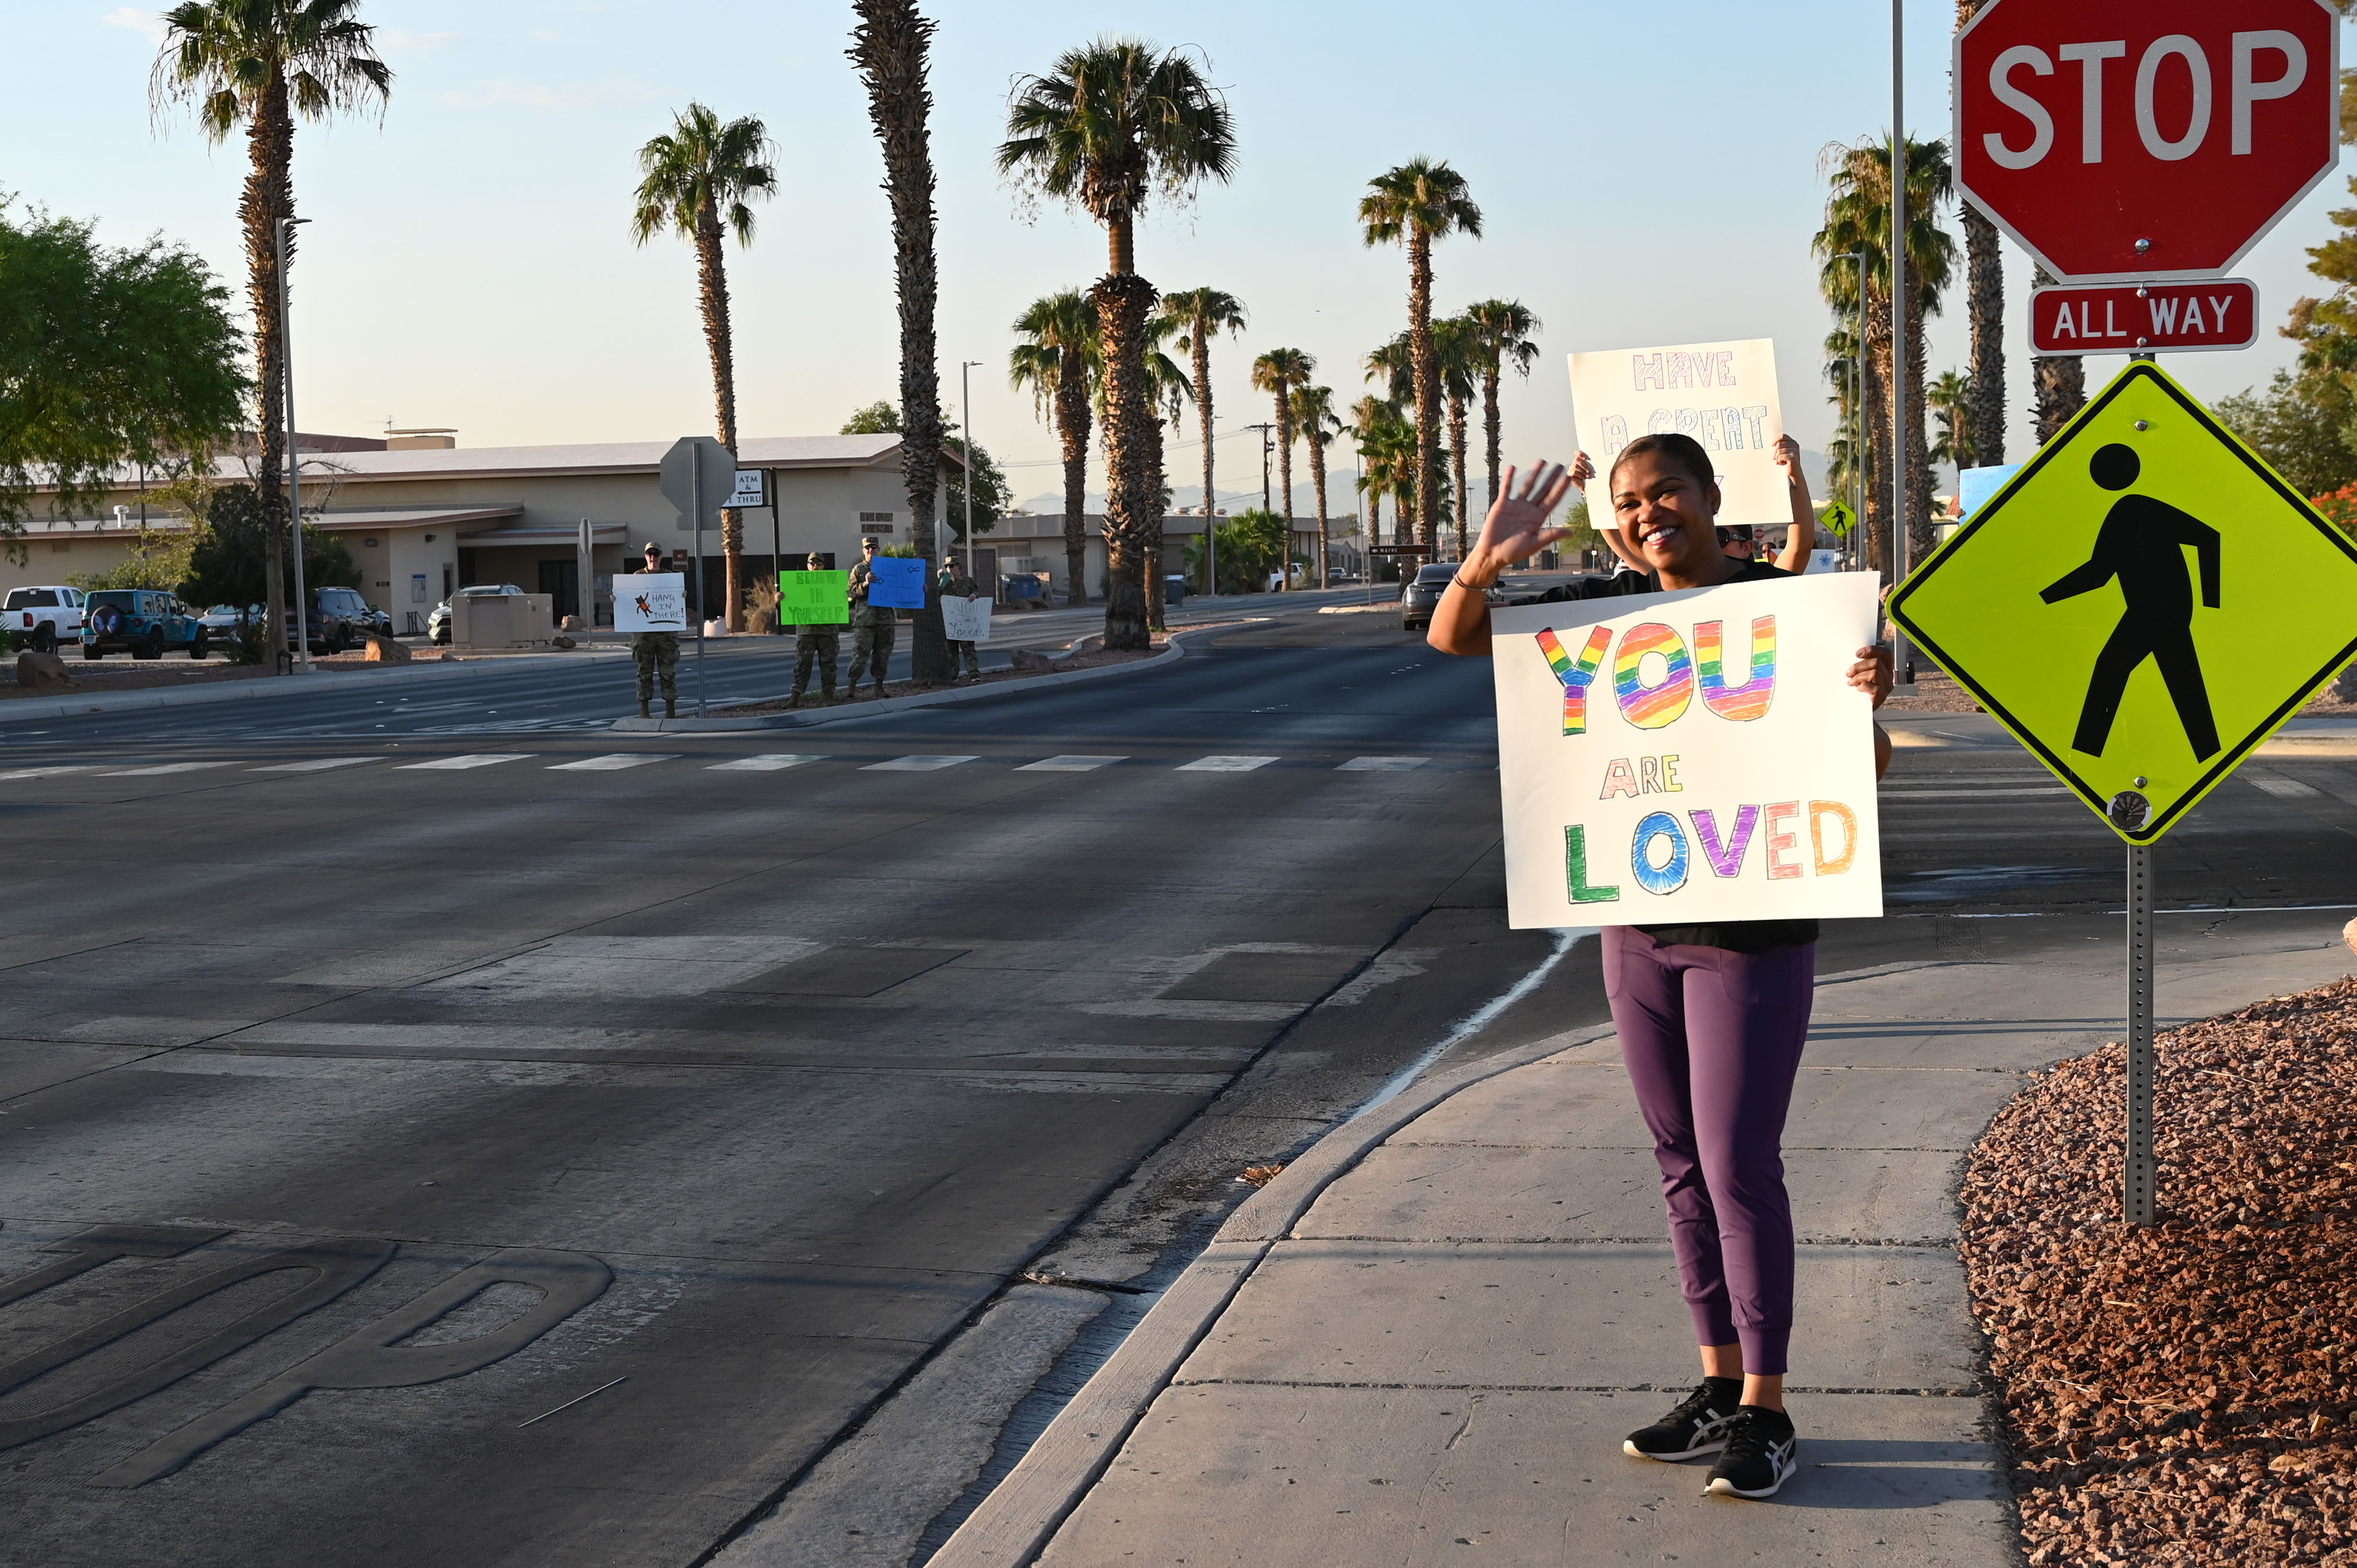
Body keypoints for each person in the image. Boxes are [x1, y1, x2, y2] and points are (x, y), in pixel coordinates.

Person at [1427, 431, 1894, 1502]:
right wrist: (1486, 560)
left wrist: (1862, 697)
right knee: (1677, 1160)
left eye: (1667, 492)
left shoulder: (1785, 607)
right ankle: (1717, 1384)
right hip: (1635, 926)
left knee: (1736, 1163)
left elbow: (1857, 764)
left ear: (1710, 495)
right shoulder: (1597, 614)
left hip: (1753, 930)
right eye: (1632, 503)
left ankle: (1768, 1410)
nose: (1650, 514)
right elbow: (1453, 640)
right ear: (1616, 522)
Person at [629, 541, 681, 719]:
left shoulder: (670, 576)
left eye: (656, 554)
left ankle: (671, 711)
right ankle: (644, 711)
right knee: (644, 673)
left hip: (666, 634)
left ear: (661, 555)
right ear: (646, 556)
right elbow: (629, 601)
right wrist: (617, 598)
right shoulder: (637, 577)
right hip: (644, 636)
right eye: (650, 554)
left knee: (668, 673)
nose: (653, 557)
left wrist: (681, 596)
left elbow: (677, 601)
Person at [788, 552, 840, 708]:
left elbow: (845, 605)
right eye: (812, 563)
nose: (815, 566)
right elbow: (788, 606)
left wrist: (848, 598)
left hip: (828, 631)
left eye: (818, 563)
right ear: (808, 566)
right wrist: (779, 601)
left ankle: (829, 697)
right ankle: (795, 698)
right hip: (806, 632)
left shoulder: (832, 584)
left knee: (829, 665)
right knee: (802, 665)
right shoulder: (799, 583)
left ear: (824, 566)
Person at [846, 537, 894, 701]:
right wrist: (865, 585)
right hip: (865, 620)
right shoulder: (858, 570)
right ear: (863, 550)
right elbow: (850, 594)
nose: (870, 551)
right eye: (867, 548)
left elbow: (901, 587)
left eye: (873, 548)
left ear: (878, 550)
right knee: (861, 653)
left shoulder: (889, 568)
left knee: (883, 655)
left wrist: (916, 589)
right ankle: (852, 686)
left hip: (885, 618)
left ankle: (879, 687)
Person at [938, 555, 983, 681]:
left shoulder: (968, 581)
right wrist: (940, 580)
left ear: (959, 567)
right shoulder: (945, 583)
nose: (949, 569)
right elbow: (936, 595)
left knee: (968, 649)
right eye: (947, 567)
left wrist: (974, 595)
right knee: (951, 650)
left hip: (965, 622)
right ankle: (953, 675)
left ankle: (974, 674)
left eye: (952, 566)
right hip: (950, 622)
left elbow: (978, 592)